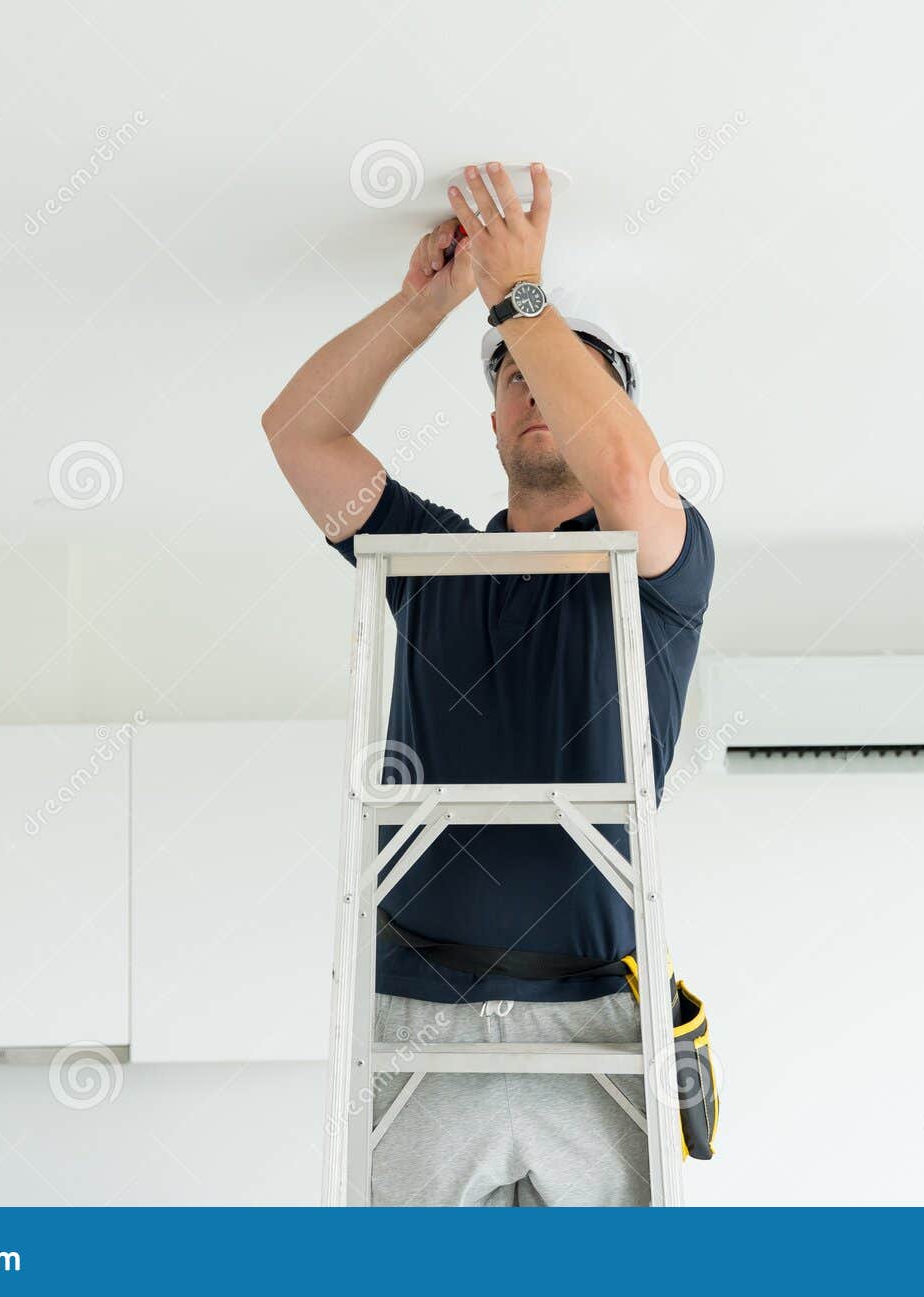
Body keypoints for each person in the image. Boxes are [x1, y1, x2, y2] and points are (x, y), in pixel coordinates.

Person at [261, 161, 715, 1206]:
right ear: (494, 421)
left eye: (563, 373)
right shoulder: (430, 563)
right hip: (421, 1018)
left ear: (608, 408)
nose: (534, 388)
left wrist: (518, 296)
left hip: (597, 1018)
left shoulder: (656, 569)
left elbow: (631, 475)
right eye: (512, 375)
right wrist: (422, 308)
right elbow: (299, 434)